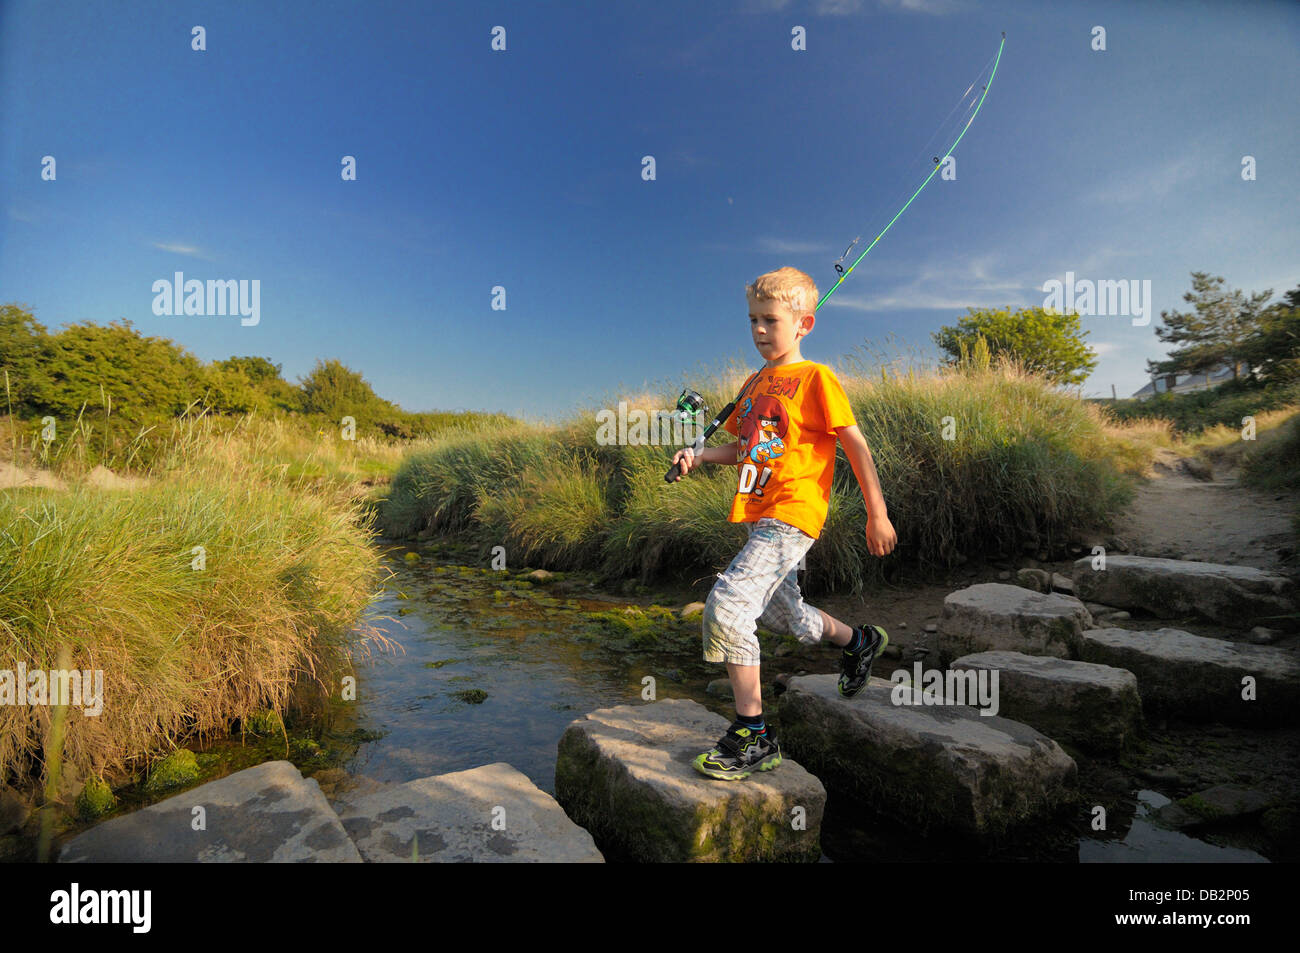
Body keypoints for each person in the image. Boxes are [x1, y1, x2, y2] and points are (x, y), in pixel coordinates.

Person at [670, 266, 897, 780]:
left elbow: (855, 444)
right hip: (757, 514)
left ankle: (753, 735)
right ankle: (858, 641)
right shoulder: (753, 384)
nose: (758, 330)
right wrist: (701, 457)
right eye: (752, 320)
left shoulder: (817, 378)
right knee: (783, 616)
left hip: (791, 513)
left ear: (804, 324)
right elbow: (747, 447)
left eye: (770, 320)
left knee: (727, 608)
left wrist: (877, 513)